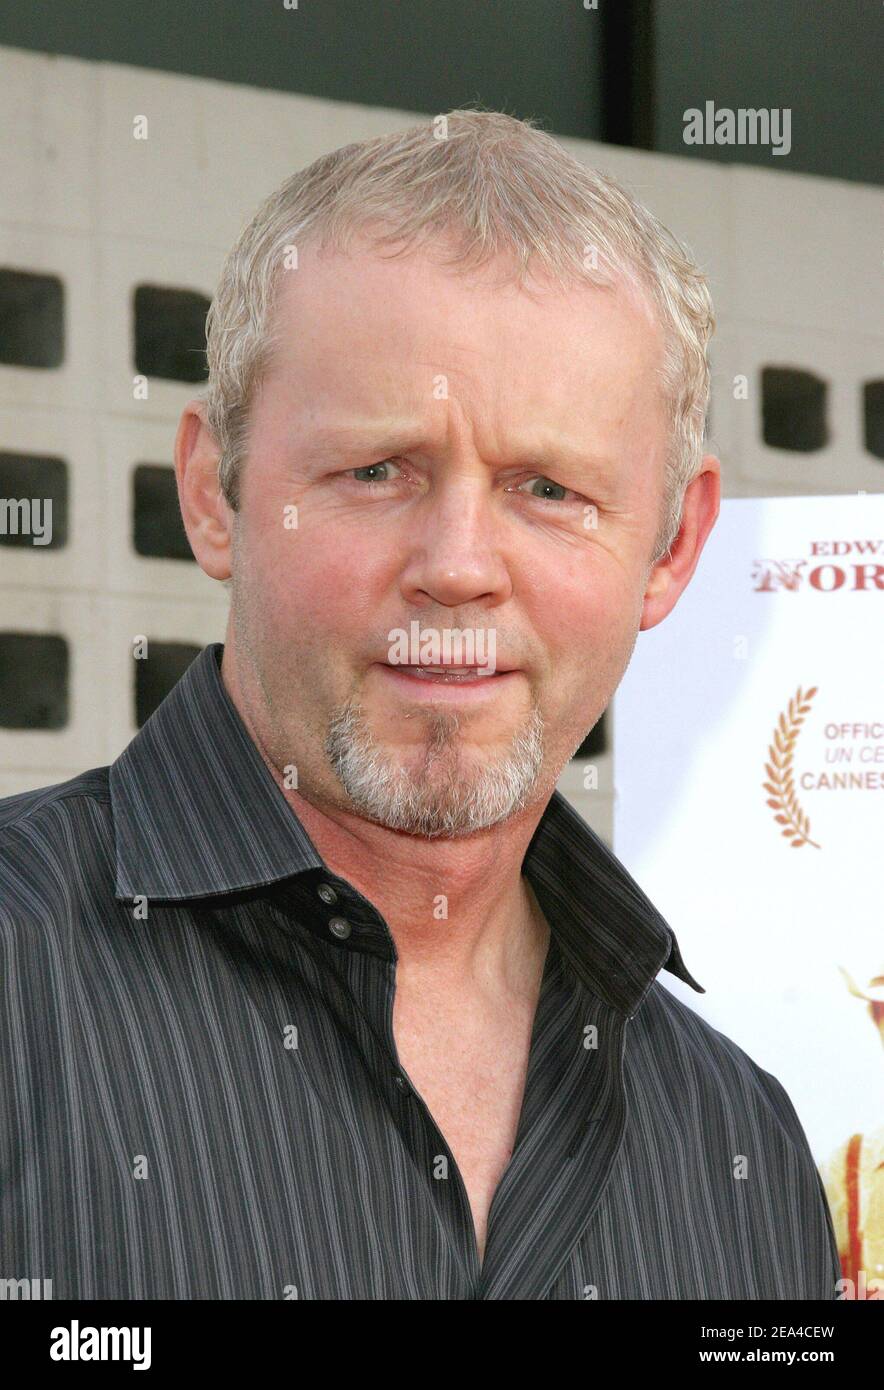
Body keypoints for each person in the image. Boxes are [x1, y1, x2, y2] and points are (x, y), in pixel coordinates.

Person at [0, 109, 839, 1299]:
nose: (456, 562)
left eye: (547, 488)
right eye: (376, 469)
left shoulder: (738, 1146)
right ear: (212, 496)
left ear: (669, 547)